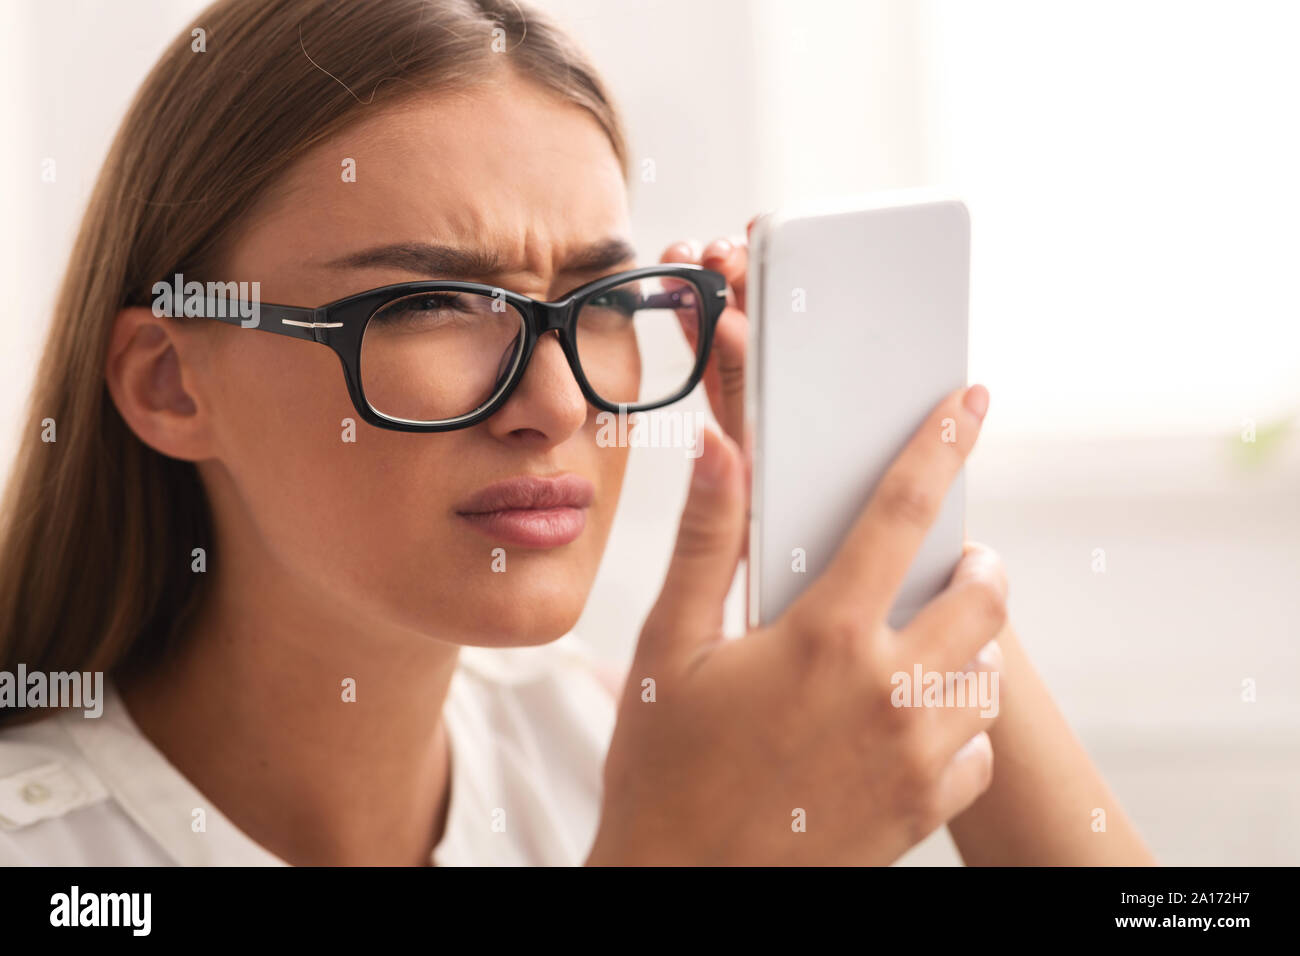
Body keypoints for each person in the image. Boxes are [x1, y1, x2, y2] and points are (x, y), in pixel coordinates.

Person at [0, 0, 1152, 866]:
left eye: (599, 300)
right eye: (433, 302)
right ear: (170, 383)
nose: (556, 403)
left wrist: (896, 555)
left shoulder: (607, 740)